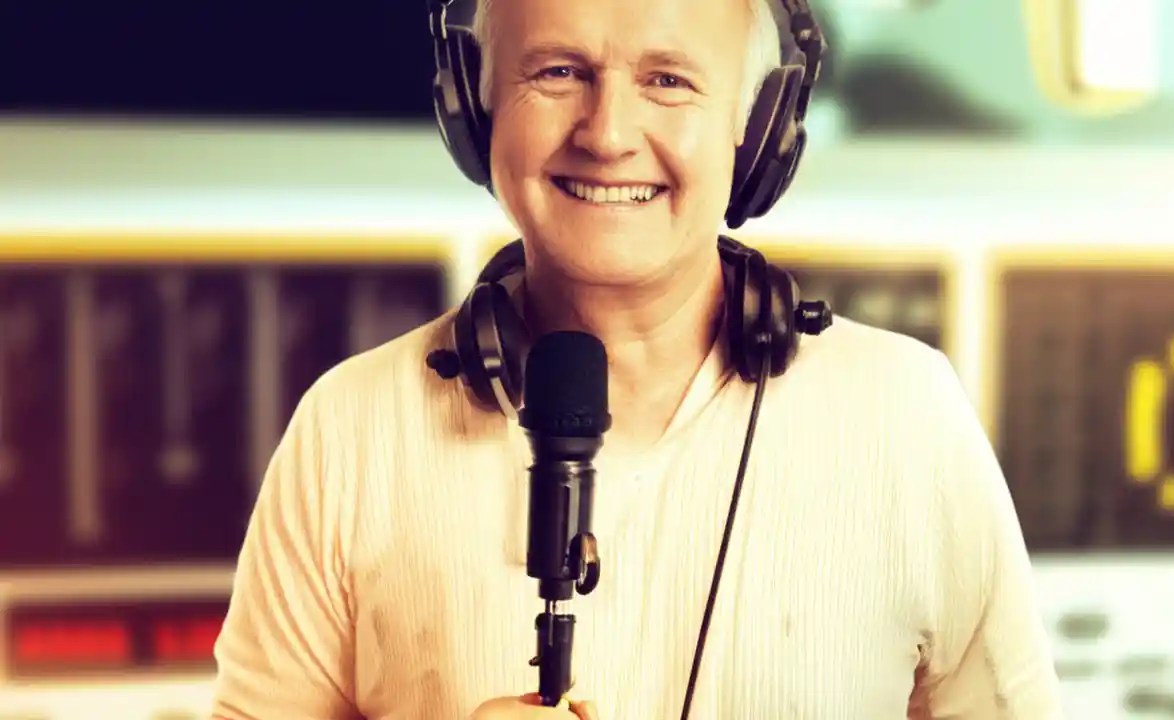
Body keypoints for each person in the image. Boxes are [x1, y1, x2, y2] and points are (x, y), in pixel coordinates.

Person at [210, 0, 1063, 717]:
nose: (608, 133)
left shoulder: (906, 415)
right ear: (474, 110)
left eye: (668, 81)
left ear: (758, 127)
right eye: (557, 72)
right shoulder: (350, 427)